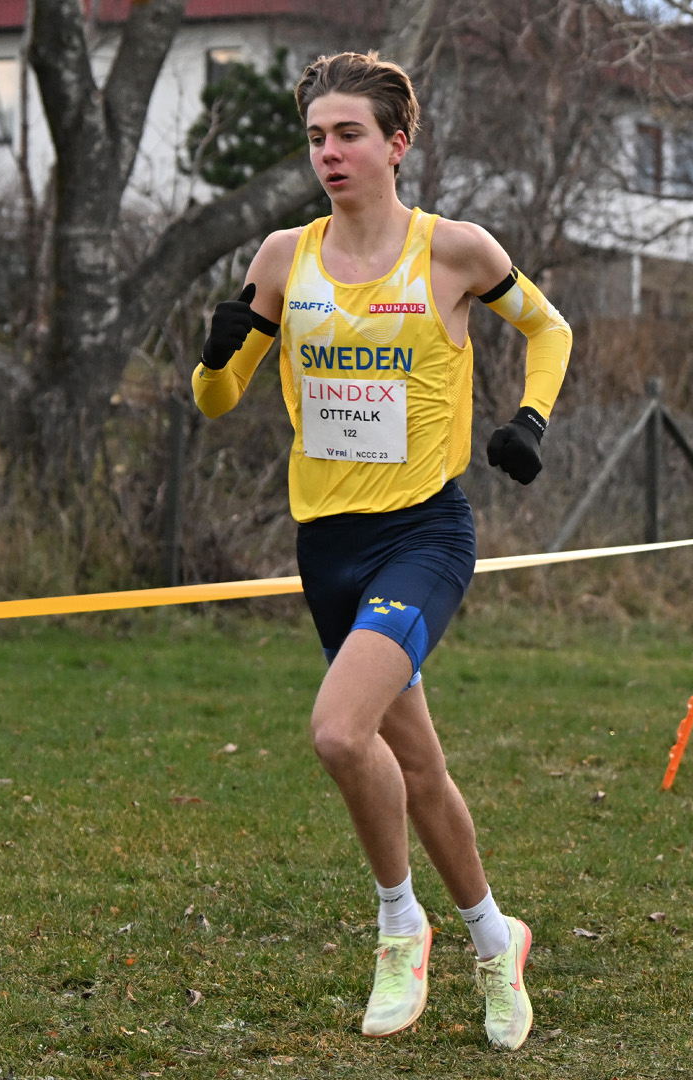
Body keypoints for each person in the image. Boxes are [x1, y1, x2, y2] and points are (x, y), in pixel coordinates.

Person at [191, 52, 572, 1051]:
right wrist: (214, 352)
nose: (330, 152)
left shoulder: (454, 250)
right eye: (317, 136)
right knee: (419, 765)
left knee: (336, 732)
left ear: (397, 144)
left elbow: (551, 330)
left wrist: (529, 418)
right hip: (328, 545)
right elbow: (218, 400)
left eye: (349, 134)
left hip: (423, 534)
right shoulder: (284, 258)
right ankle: (496, 939)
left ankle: (401, 927)